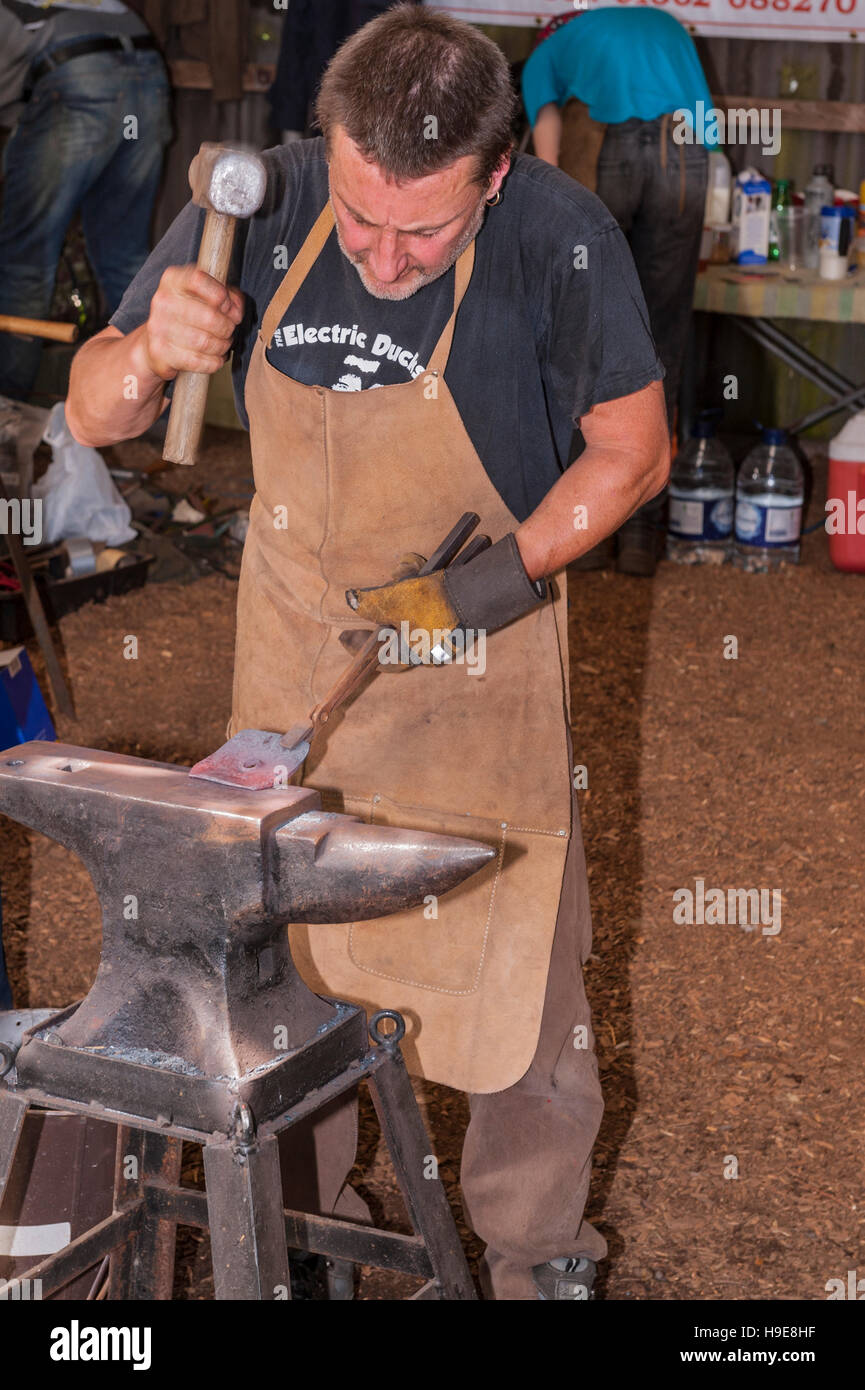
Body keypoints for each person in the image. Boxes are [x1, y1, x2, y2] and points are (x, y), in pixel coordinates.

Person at [66, 4, 669, 1301]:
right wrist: (142, 353)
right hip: (297, 663)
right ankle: (310, 1241)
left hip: (480, 658)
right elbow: (90, 406)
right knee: (299, 982)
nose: (386, 257)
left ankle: (535, 1257)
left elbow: (633, 451)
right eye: (361, 217)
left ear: (492, 174)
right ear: (327, 149)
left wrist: (494, 582)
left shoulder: (559, 236)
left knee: (524, 993)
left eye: (425, 228)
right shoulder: (259, 202)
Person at [523, 7, 713, 575]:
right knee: (662, 331)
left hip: (602, 155)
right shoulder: (669, 28)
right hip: (681, 158)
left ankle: (585, 529)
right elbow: (706, 126)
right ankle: (640, 536)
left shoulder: (557, 43)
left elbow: (548, 146)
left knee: (587, 328)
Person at [0, 0, 171, 401]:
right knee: (124, 254)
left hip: (78, 76)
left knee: (26, 260)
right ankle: (150, 402)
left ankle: (9, 410)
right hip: (147, 72)